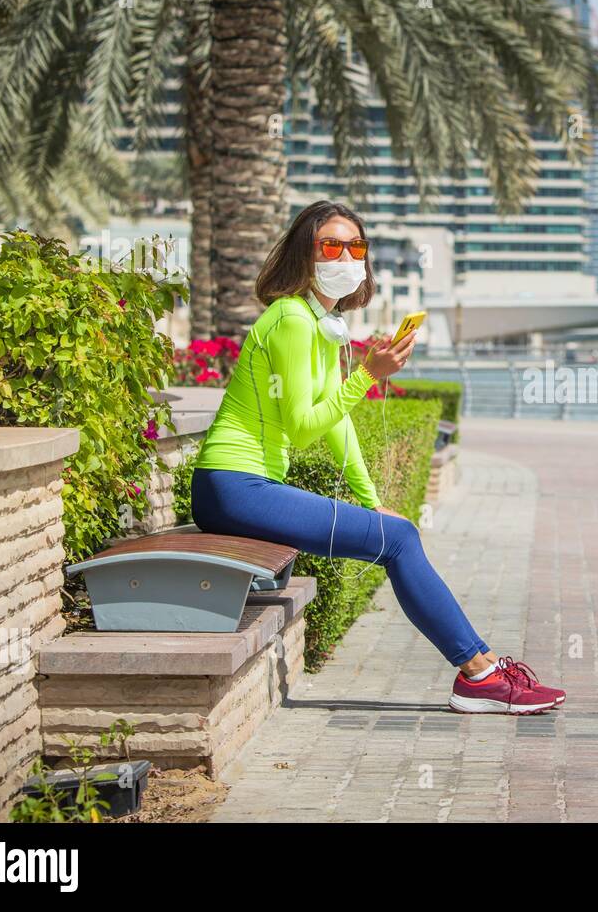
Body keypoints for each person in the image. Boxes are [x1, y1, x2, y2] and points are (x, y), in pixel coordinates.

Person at [189, 201, 564, 715]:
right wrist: (367, 376)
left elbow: (336, 422)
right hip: (235, 486)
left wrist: (373, 501)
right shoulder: (293, 321)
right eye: (331, 245)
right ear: (305, 252)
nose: (346, 256)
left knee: (395, 530)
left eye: (356, 247)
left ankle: (482, 669)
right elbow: (302, 428)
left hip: (244, 487)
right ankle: (481, 675)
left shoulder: (321, 323)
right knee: (402, 541)